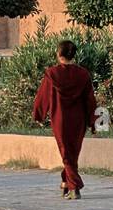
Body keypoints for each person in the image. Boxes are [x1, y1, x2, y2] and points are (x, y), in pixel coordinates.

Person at [32, 39, 97, 199]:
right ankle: (65, 182)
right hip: (78, 120)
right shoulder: (83, 74)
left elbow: (43, 97)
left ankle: (74, 187)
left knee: (66, 153)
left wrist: (39, 114)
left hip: (60, 118)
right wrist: (92, 120)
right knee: (71, 152)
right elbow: (90, 100)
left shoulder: (52, 74)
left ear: (59, 54)